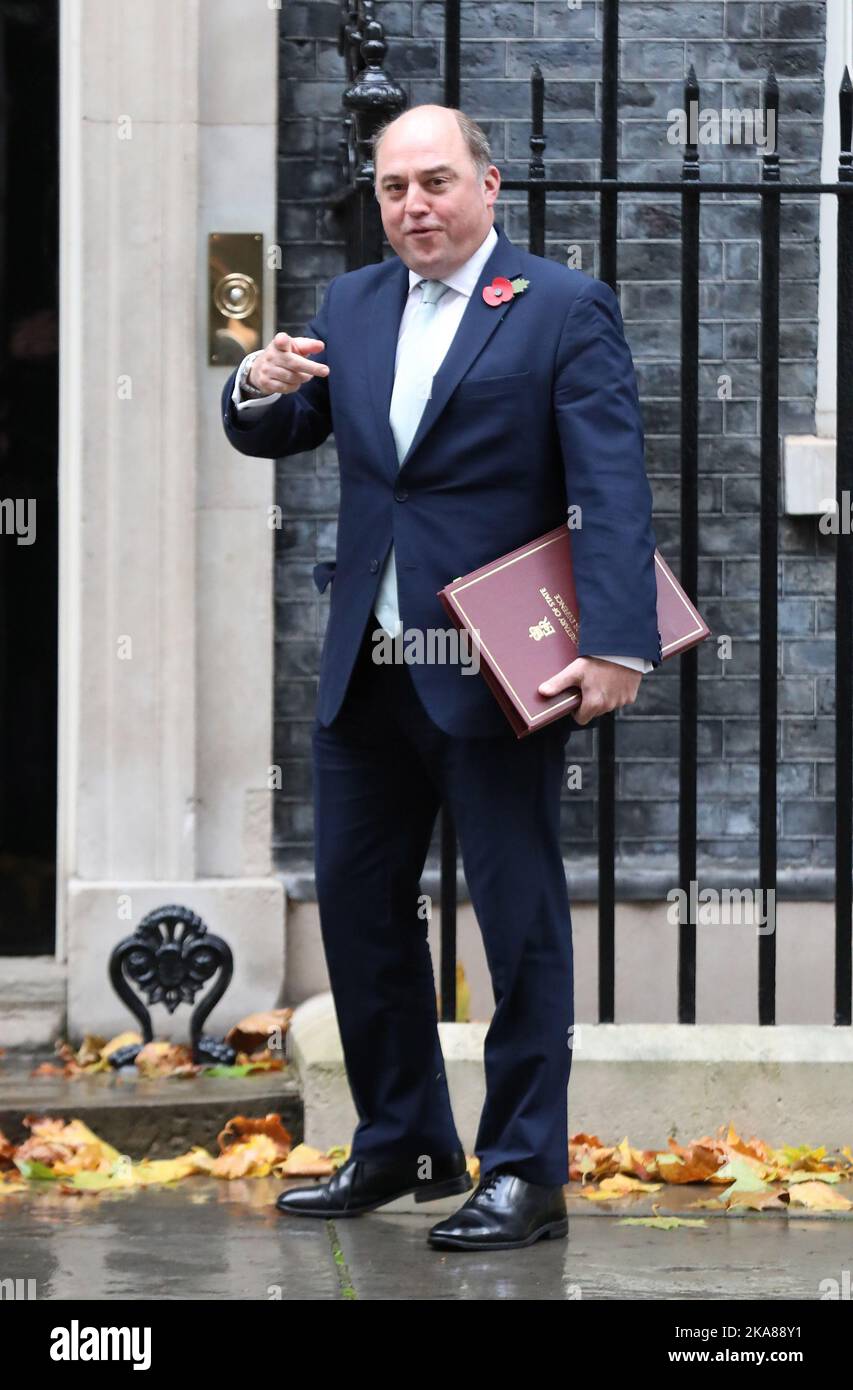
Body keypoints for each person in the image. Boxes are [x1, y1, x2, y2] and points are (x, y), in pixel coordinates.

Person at [220, 104, 661, 1253]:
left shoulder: (561, 308)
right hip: (366, 670)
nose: (413, 205)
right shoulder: (355, 304)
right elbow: (286, 426)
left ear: (488, 185)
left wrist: (616, 645)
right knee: (362, 912)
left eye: (434, 182)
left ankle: (524, 1170)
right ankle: (404, 1141)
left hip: (493, 668)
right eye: (392, 187)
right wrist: (255, 383)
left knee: (518, 925)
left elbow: (609, 486)